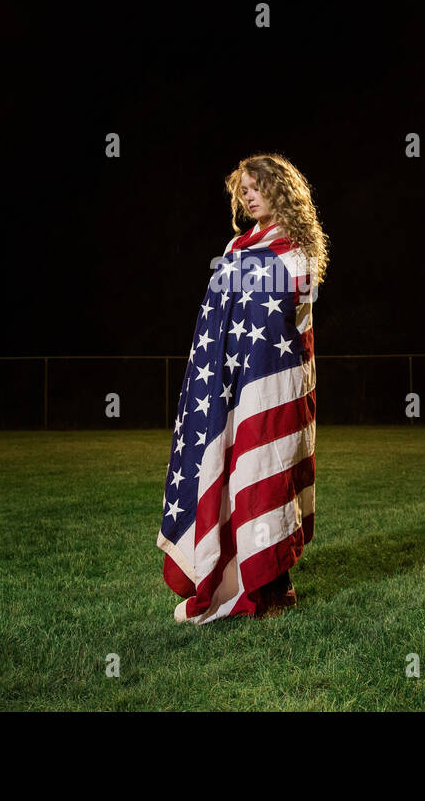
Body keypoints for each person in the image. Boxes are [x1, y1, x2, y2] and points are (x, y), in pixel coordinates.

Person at [156, 153, 330, 623]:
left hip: (275, 379)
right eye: (244, 191)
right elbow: (217, 316)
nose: (249, 197)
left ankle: (274, 585)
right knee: (236, 474)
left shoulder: (299, 248)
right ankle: (236, 577)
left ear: (280, 189)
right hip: (234, 381)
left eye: (256, 187)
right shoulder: (236, 248)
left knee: (266, 474)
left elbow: (292, 309)